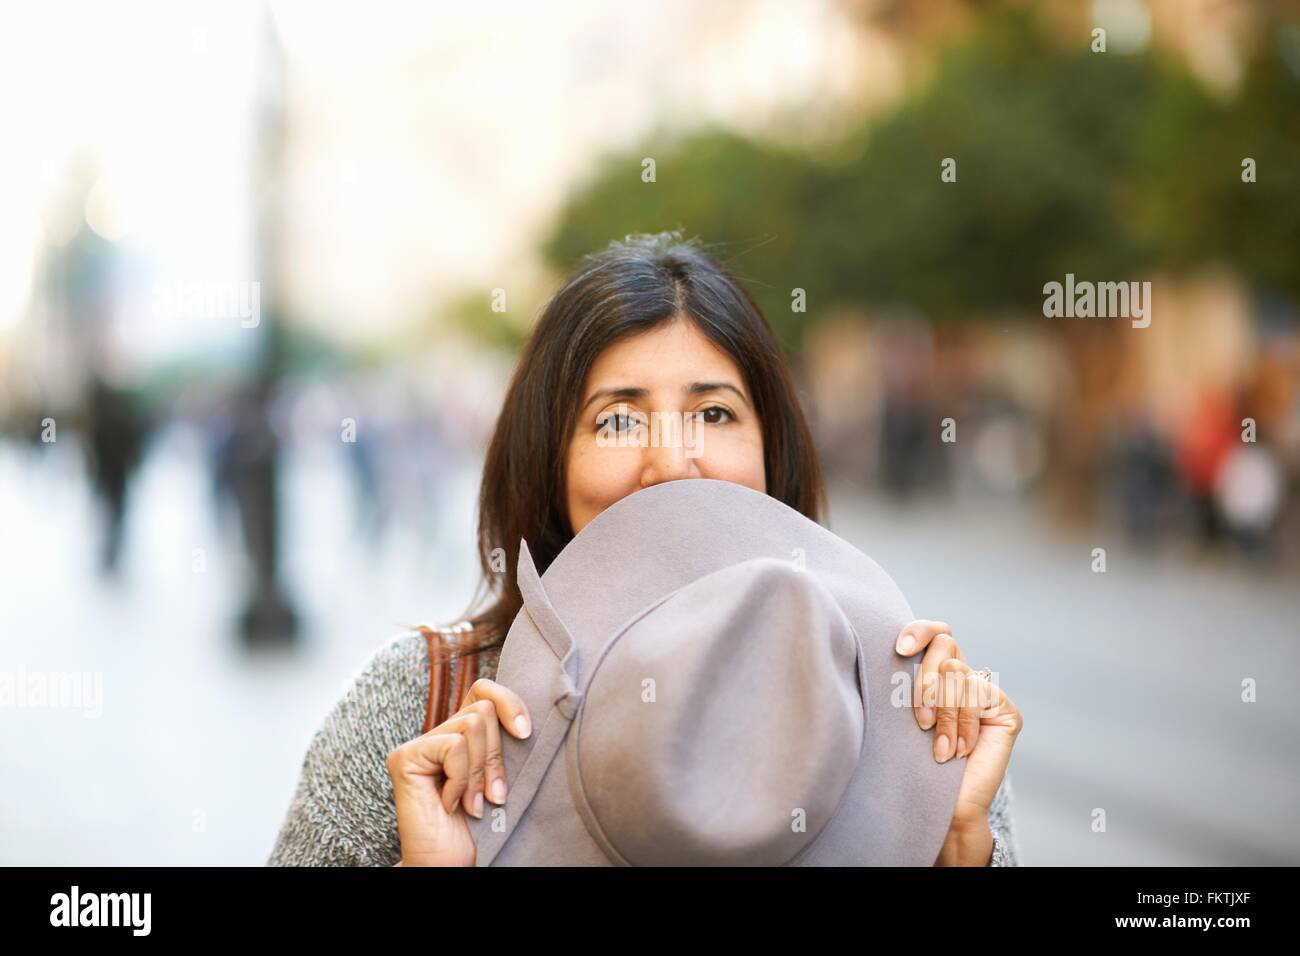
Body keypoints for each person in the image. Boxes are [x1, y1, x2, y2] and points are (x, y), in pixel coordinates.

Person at [267, 233, 1023, 867]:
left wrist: (955, 839)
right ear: (547, 457)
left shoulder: (915, 715)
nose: (671, 463)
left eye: (715, 413)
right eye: (617, 420)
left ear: (773, 450)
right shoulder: (416, 710)